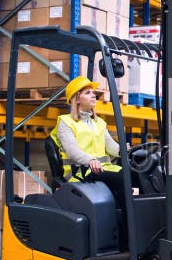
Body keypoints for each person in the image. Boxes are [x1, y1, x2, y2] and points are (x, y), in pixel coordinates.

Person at [50, 76, 124, 206]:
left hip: (102, 169)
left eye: (93, 92)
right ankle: (126, 215)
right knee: (122, 179)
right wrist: (90, 160)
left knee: (135, 175)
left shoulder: (99, 122)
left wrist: (124, 150)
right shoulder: (66, 122)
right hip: (80, 172)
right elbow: (72, 151)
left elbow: (110, 146)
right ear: (77, 98)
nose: (94, 95)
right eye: (88, 92)